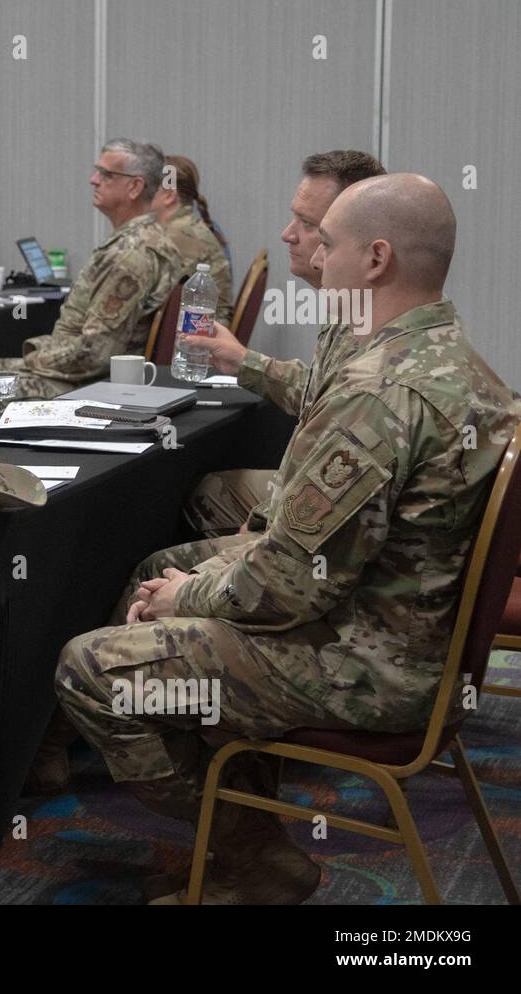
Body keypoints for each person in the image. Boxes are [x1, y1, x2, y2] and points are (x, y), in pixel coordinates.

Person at [54, 173, 519, 904]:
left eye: (325, 244)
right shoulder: (451, 358)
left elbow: (289, 587)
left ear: (375, 260)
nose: (312, 258)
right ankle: (231, 814)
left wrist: (189, 597)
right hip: (402, 631)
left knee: (95, 670)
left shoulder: (378, 392)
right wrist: (195, 582)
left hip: (369, 669)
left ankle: (256, 856)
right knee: (165, 568)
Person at [182, 150, 387, 538]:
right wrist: (245, 362)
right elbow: (323, 393)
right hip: (320, 506)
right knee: (209, 490)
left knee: (152, 575)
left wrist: (260, 527)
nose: (287, 234)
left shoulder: (375, 328)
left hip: (326, 527)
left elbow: (338, 462)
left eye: (309, 225)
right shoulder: (353, 304)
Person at [0, 139, 183, 416]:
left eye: (106, 174)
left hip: (91, 384)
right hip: (92, 376)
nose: (94, 180)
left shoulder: (129, 255)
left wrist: (36, 355)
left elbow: (95, 354)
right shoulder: (149, 239)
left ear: (134, 187)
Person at [151, 154, 233, 327]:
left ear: (168, 195)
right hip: (205, 330)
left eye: (149, 187)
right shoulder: (192, 226)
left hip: (199, 336)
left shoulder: (175, 235)